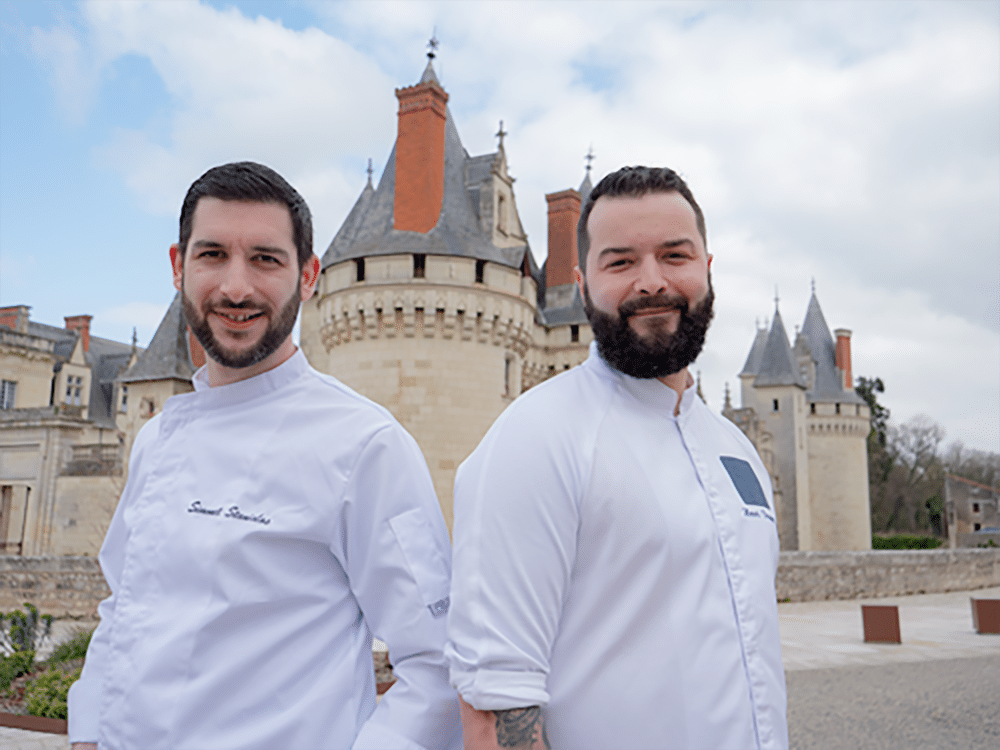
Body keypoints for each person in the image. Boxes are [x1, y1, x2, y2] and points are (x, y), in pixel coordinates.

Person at [68, 162, 460, 750]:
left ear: (307, 276)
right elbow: (123, 609)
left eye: (265, 259)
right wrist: (88, 733)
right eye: (212, 255)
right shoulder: (155, 439)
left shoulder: (363, 445)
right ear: (179, 266)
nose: (235, 288)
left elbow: (437, 662)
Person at [447, 166, 788, 750]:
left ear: (707, 270)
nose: (651, 281)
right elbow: (495, 702)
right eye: (621, 261)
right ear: (581, 284)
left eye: (674, 256)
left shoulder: (738, 450)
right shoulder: (536, 438)